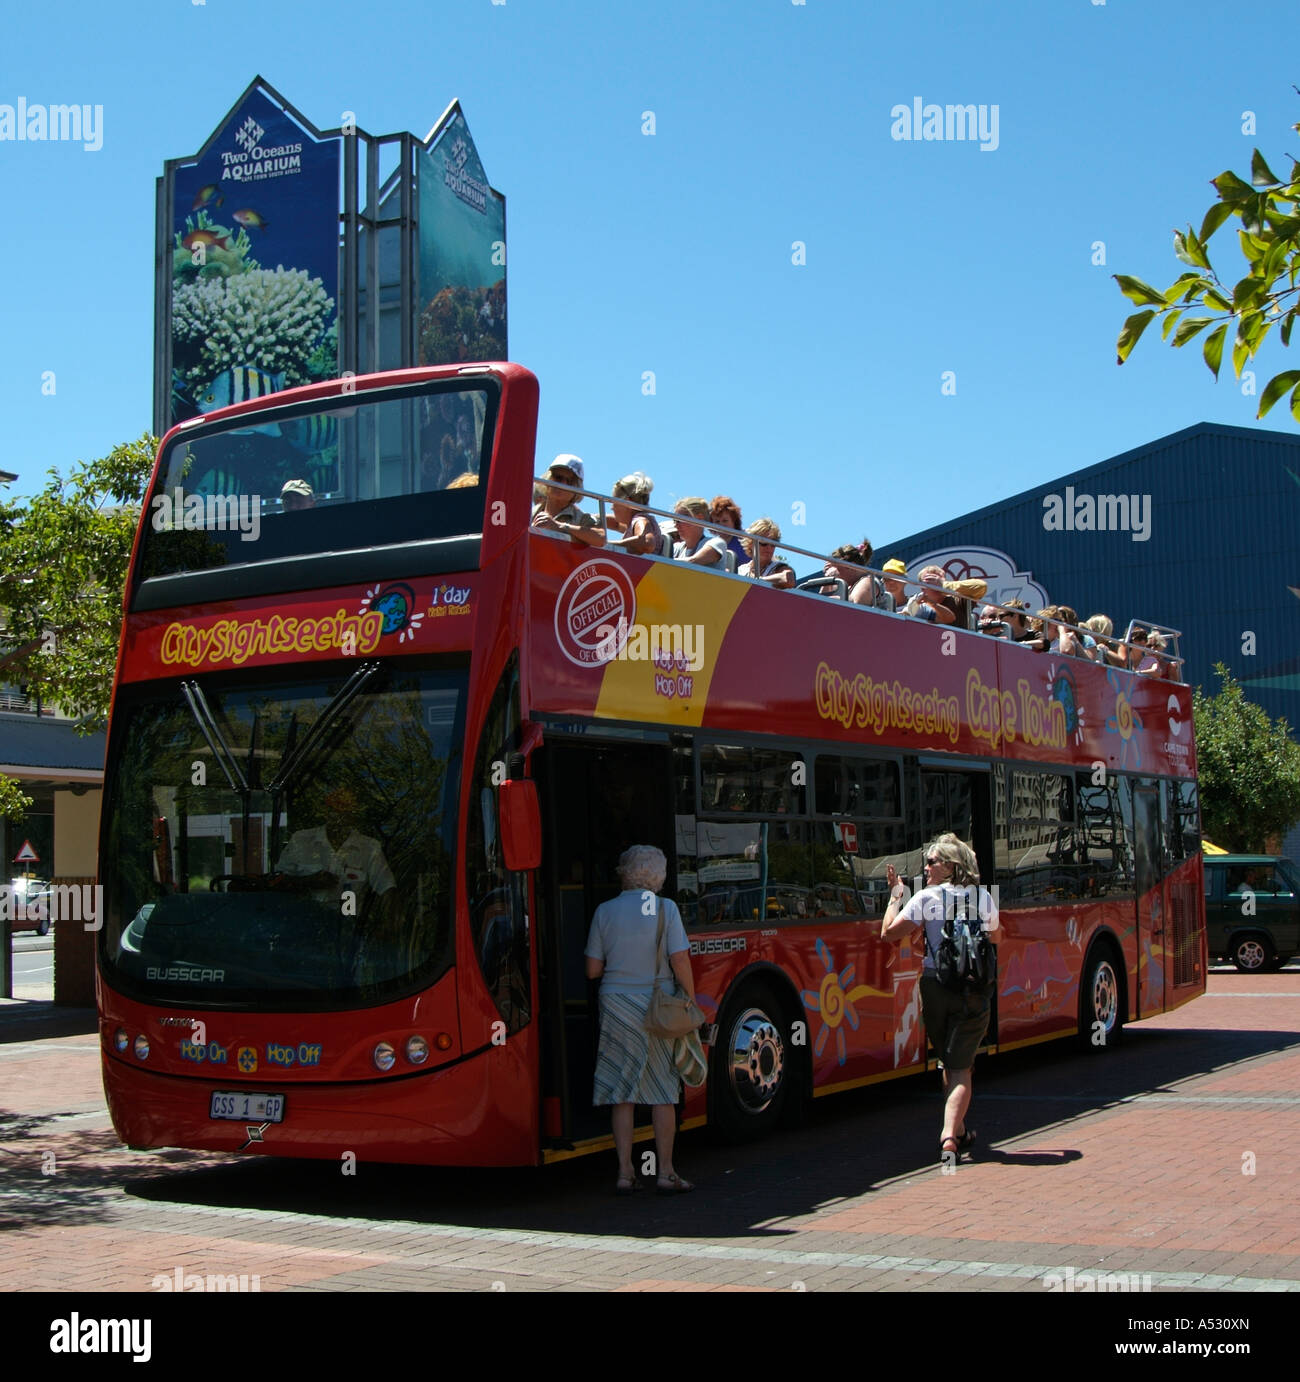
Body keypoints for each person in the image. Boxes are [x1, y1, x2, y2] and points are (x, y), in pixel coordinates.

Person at [585, 845, 697, 1195]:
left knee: (623, 1092)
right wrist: (690, 999)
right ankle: (665, 1172)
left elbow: (592, 970)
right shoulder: (666, 909)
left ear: (626, 873)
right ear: (658, 876)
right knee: (663, 1091)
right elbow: (680, 959)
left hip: (616, 1004)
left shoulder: (604, 911)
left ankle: (624, 1172)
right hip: (656, 1005)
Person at [881, 834, 997, 1163]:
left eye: (932, 862)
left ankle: (954, 1132)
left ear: (949, 866)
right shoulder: (982, 897)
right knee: (961, 1068)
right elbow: (998, 936)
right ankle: (951, 1133)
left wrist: (895, 896)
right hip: (973, 989)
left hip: (934, 986)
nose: (926, 867)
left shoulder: (926, 898)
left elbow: (888, 934)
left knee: (949, 1060)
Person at [531, 455, 606, 547]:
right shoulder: (528, 513)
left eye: (570, 481)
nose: (563, 483)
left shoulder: (583, 519)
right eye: (558, 477)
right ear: (547, 479)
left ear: (577, 488)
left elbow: (601, 538)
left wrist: (559, 526)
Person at [606, 471, 663, 555]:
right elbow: (615, 524)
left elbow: (647, 542)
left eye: (614, 502)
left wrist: (610, 545)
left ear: (627, 502)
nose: (612, 508)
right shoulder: (634, 522)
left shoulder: (640, 520)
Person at [824, 539, 890, 608]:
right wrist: (827, 580)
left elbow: (855, 607)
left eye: (835, 569)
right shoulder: (845, 586)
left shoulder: (868, 582)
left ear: (850, 566)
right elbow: (820, 603)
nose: (833, 573)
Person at [738, 517, 795, 588]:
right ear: (750, 543)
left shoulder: (777, 567)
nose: (769, 547)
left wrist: (758, 580)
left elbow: (788, 579)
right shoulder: (741, 569)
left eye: (773, 544)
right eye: (763, 543)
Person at [672, 498, 728, 566]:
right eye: (675, 520)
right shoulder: (677, 548)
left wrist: (666, 560)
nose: (676, 525)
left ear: (699, 518)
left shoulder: (717, 543)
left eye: (680, 520)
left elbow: (692, 561)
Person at [709, 496, 749, 568]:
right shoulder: (712, 545)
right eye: (717, 521)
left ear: (734, 520)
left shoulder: (747, 539)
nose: (721, 525)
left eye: (725, 521)